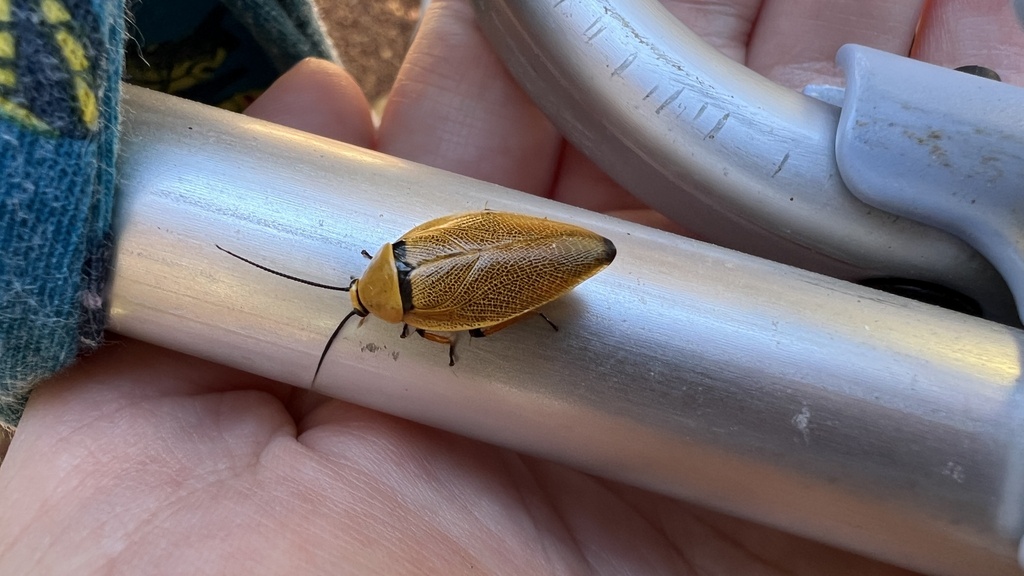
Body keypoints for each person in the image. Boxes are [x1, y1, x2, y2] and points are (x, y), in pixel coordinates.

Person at [0, 1, 1019, 573]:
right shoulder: (398, 259)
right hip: (500, 252)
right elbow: (462, 237)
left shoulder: (420, 311)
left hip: (505, 271)